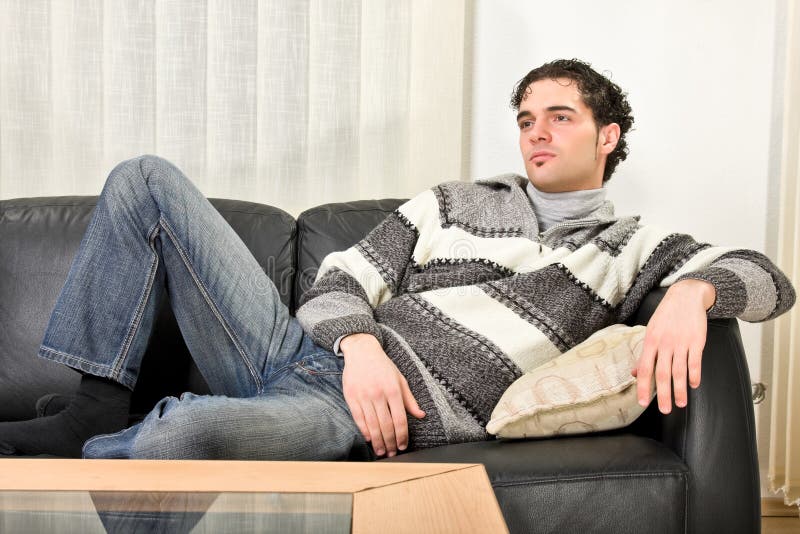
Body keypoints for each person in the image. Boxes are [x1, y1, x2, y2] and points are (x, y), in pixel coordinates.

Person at [0, 59, 795, 460]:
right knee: (145, 179)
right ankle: (99, 407)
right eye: (526, 120)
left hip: (360, 414)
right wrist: (362, 345)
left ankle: (109, 450)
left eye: (560, 116)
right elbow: (340, 280)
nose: (538, 133)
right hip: (304, 354)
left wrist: (692, 294)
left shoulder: (628, 249)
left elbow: (769, 278)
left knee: (181, 440)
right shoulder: (453, 202)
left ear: (608, 136)